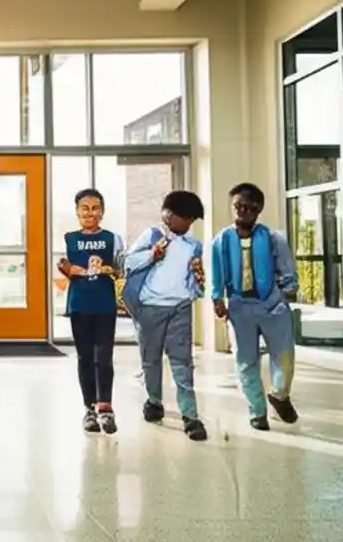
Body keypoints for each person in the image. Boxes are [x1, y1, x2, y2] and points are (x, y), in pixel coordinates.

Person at [210, 183, 301, 431]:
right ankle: (257, 411)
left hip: (273, 307)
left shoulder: (274, 239)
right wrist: (217, 300)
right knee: (245, 361)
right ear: (232, 207)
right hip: (240, 309)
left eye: (251, 208)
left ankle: (280, 396)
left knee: (283, 357)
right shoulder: (221, 241)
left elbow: (288, 269)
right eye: (239, 206)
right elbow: (217, 275)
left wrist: (285, 295)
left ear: (259, 210)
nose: (244, 211)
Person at [123, 190, 209, 441]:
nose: (189, 224)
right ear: (168, 215)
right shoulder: (152, 236)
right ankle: (154, 401)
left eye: (193, 221)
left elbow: (194, 277)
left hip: (180, 308)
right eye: (186, 219)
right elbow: (128, 262)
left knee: (182, 361)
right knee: (150, 359)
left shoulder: (193, 245)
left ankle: (190, 415)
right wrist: (152, 255)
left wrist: (197, 279)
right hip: (150, 309)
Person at [56, 189, 124, 435]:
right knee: (85, 357)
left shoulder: (112, 238)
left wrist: (110, 270)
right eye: (84, 208)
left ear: (102, 212)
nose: (90, 213)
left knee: (103, 356)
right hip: (79, 304)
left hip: (104, 304)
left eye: (95, 208)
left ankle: (105, 406)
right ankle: (90, 409)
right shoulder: (69, 238)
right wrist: (67, 269)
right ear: (77, 211)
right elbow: (63, 268)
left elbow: (121, 269)